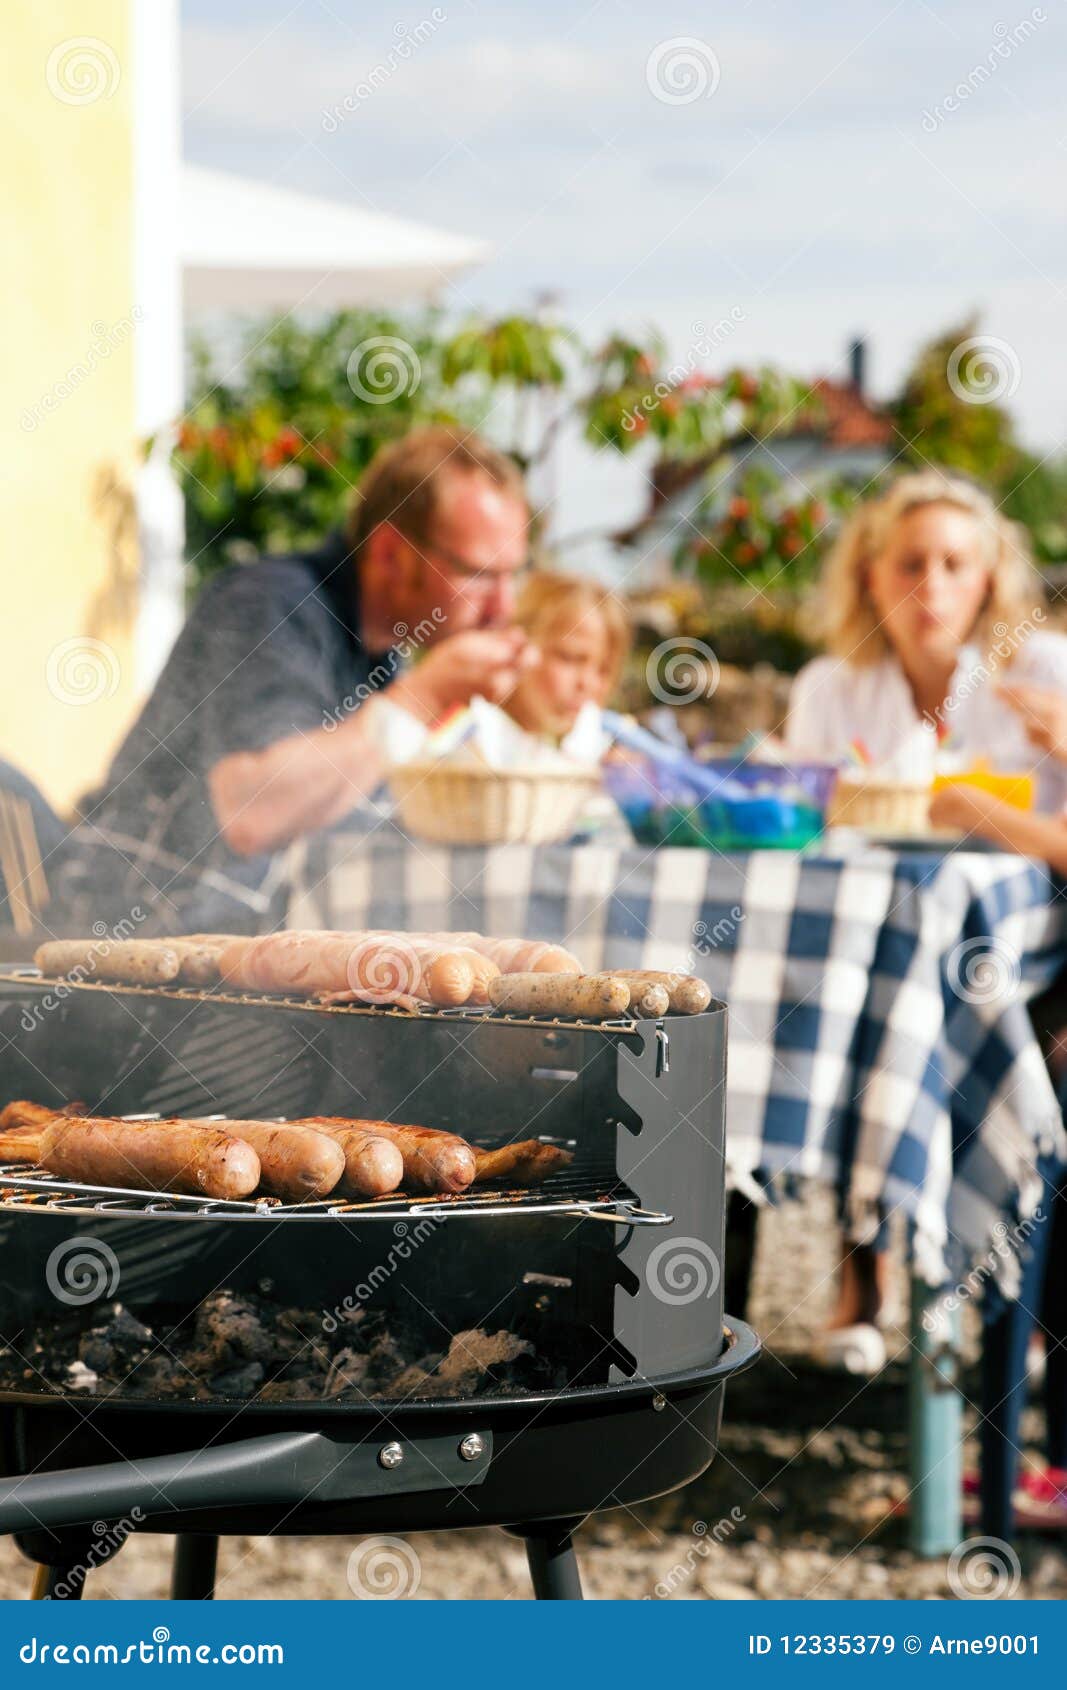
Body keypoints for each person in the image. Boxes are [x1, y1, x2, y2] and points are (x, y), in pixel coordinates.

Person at [785, 470, 1067, 1368]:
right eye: (909, 563)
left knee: (895, 989)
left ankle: (956, 1290)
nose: (931, 586)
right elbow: (797, 825)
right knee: (843, 989)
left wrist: (959, 806)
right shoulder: (833, 685)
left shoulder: (1038, 675)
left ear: (990, 579)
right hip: (878, 937)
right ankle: (863, 1273)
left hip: (1026, 954)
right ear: (870, 576)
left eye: (955, 564)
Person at [53, 427, 533, 933]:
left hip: (242, 938)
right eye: (479, 574)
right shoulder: (268, 606)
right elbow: (252, 814)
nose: (505, 607)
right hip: (127, 929)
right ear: (392, 554)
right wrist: (423, 697)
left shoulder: (383, 659)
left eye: (512, 575)